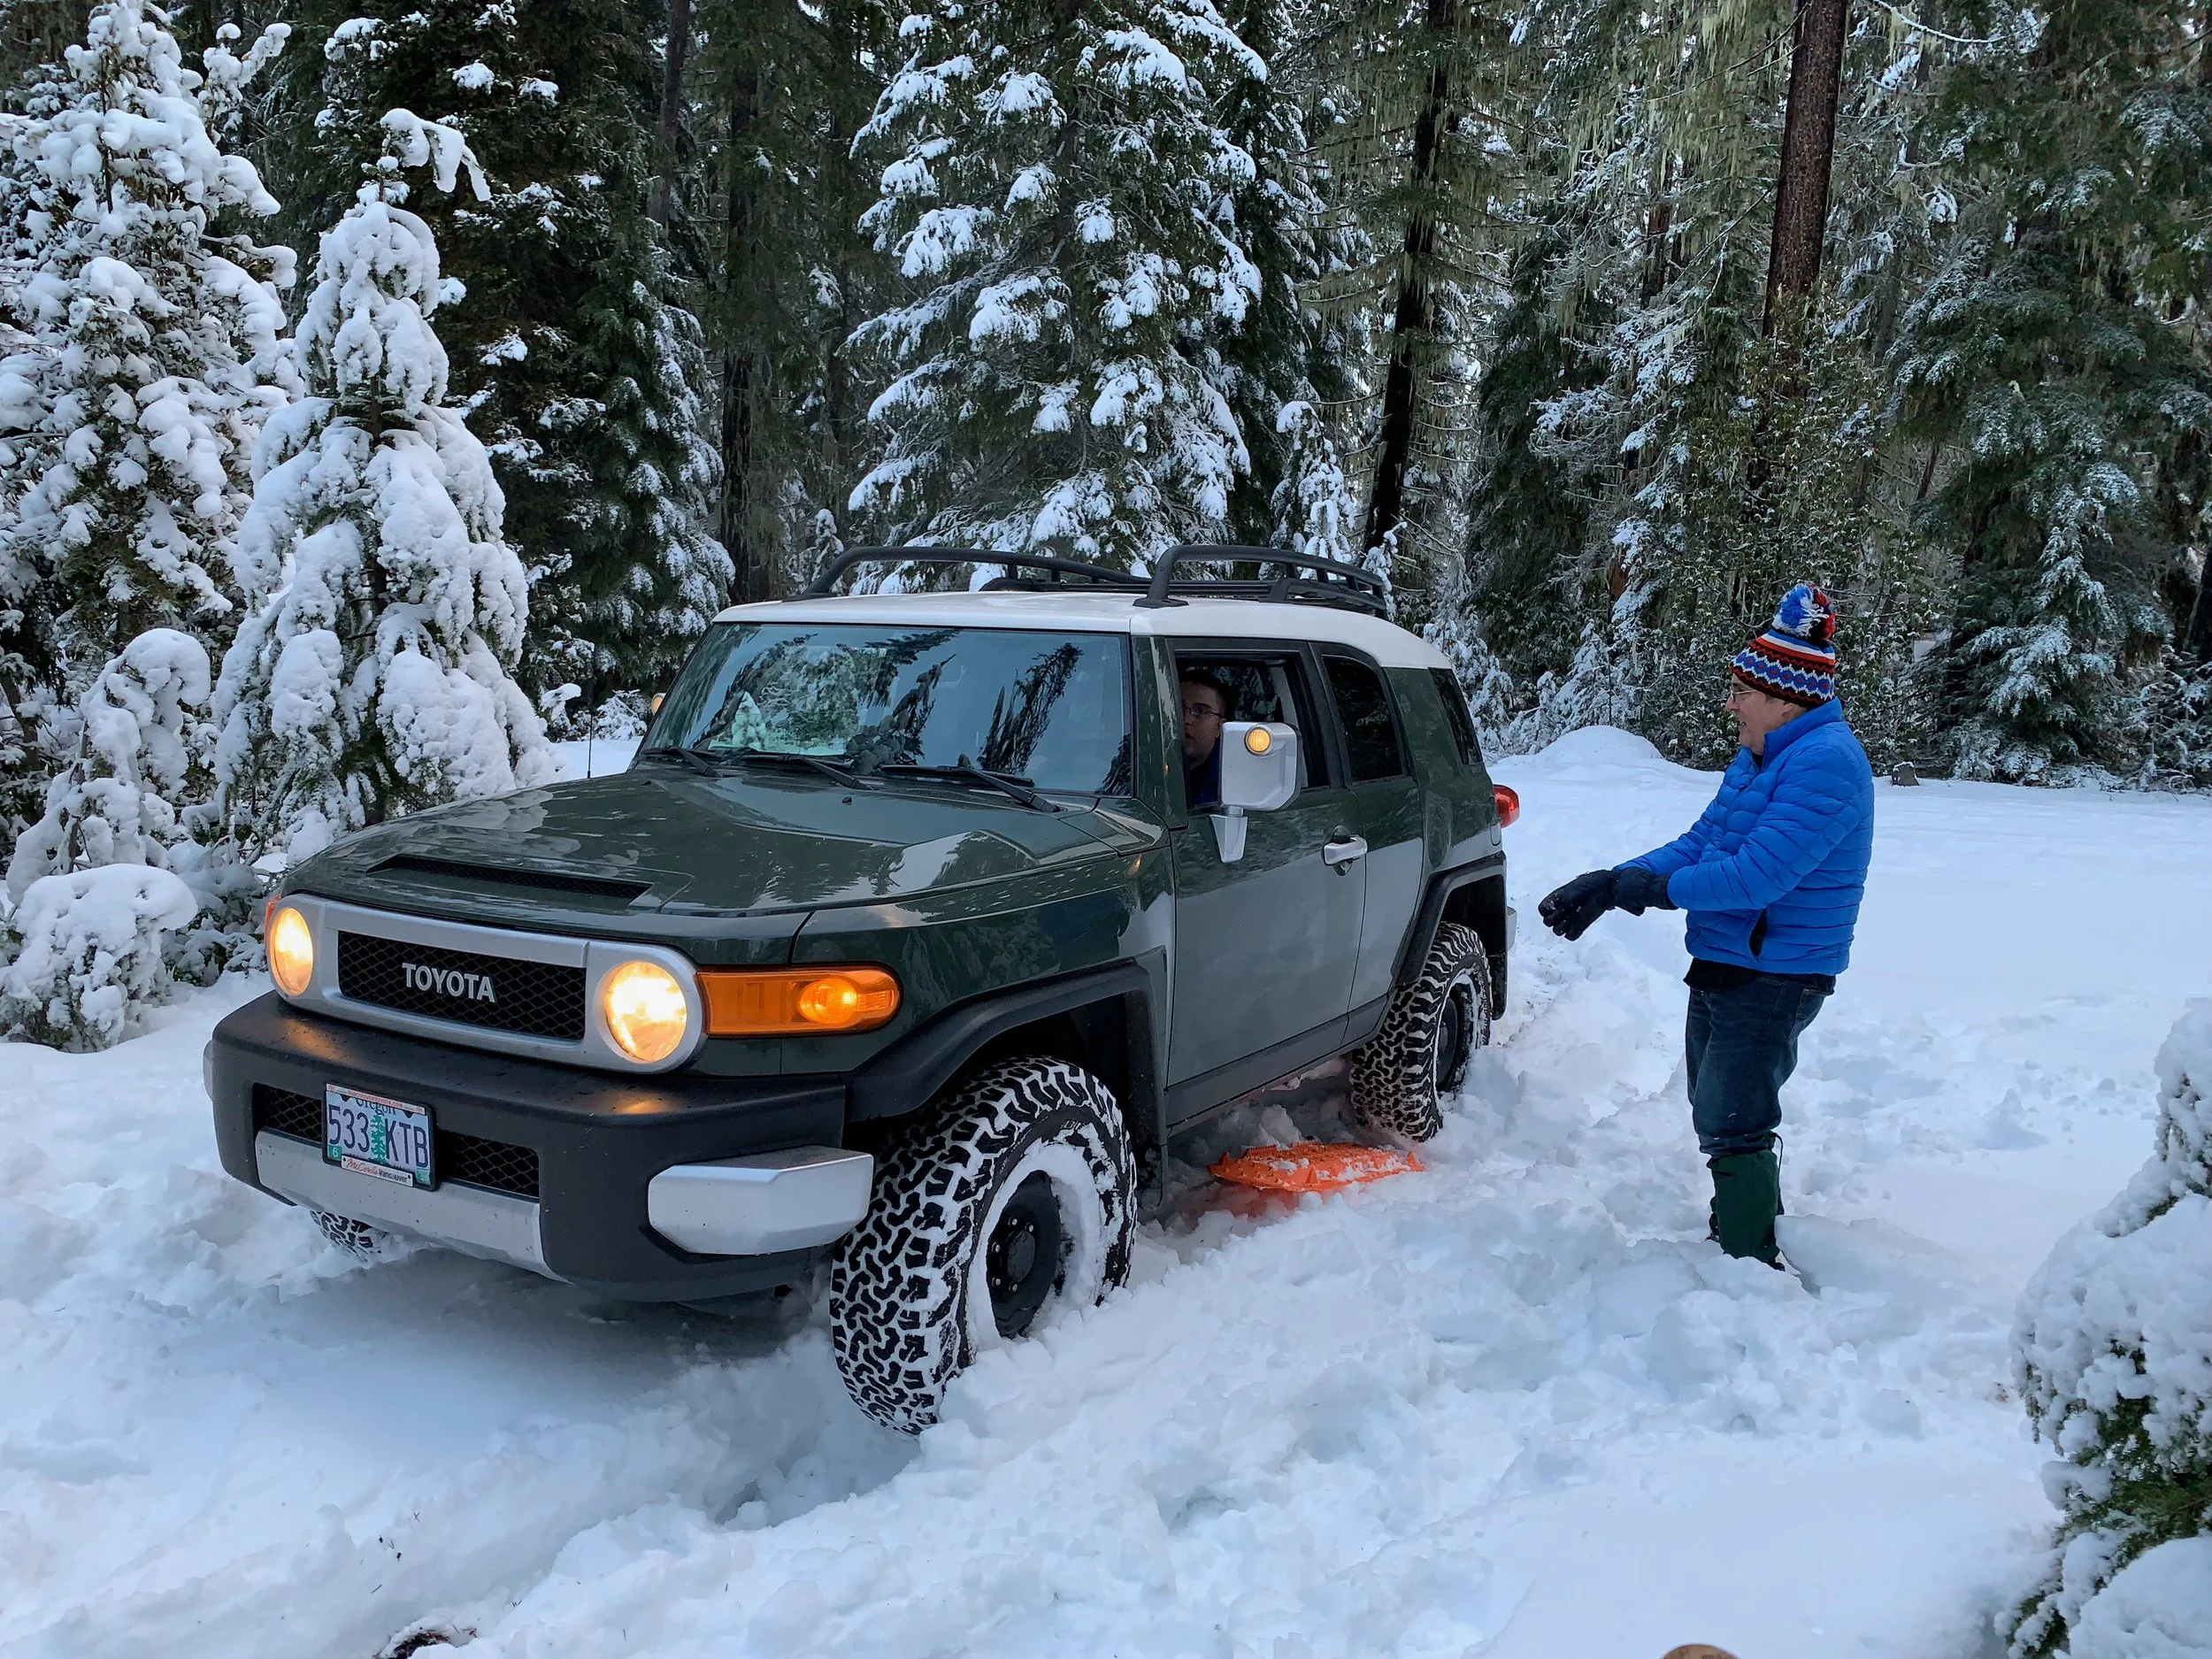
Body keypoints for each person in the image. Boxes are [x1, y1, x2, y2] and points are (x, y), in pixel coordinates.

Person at [1538, 584, 1874, 1267]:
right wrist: (1612, 881)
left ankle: (1749, 1259)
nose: (1730, 705)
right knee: (1715, 1105)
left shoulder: (1826, 763)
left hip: (1776, 969)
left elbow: (1756, 875)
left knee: (1732, 1114)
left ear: (1785, 699)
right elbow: (1703, 844)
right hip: (1731, 958)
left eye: (1740, 692)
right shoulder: (1761, 758)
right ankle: (1744, 1234)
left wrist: (1650, 889)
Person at [1180, 672, 1232, 810]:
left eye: (1201, 711)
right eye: (1179, 708)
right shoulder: (1138, 764)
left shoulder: (1228, 786)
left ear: (1219, 727)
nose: (1186, 720)